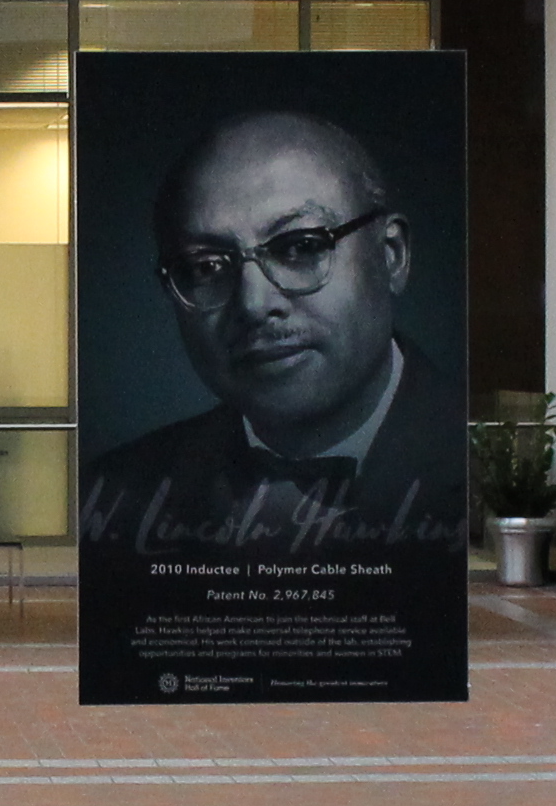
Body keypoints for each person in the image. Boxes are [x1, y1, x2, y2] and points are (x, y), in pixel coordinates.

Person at [79, 107, 466, 556]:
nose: (254, 304)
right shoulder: (116, 494)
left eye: (300, 247)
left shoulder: (484, 469)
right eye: (206, 266)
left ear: (391, 255)